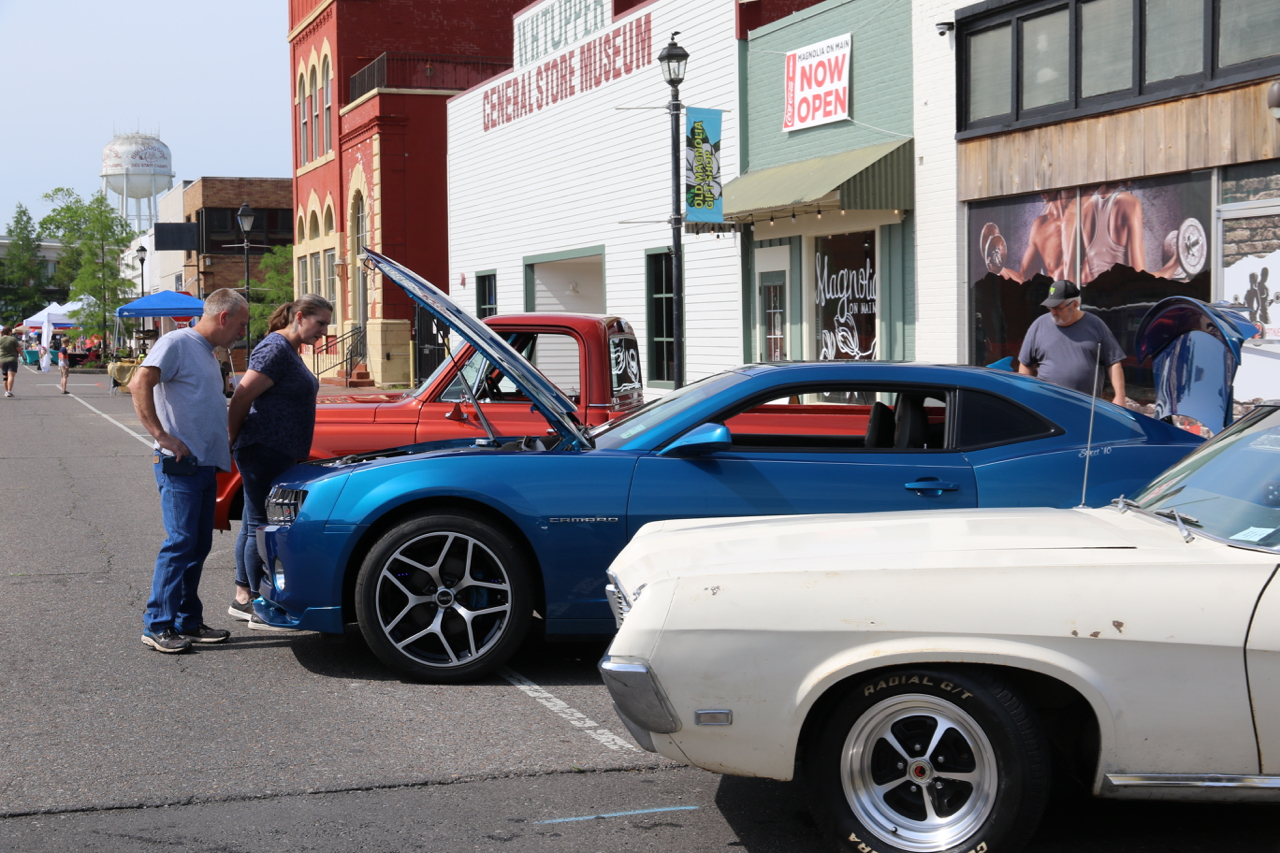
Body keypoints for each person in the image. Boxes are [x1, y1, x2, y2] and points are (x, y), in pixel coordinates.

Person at [130, 288, 250, 653]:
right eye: (241, 324)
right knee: (181, 542)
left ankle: (187, 621)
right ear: (224, 317)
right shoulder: (178, 342)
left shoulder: (205, 352)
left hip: (200, 463)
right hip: (180, 463)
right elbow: (140, 381)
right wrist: (160, 435)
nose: (243, 332)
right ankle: (157, 625)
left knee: (196, 545)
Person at [226, 294, 333, 629]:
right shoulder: (275, 348)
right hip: (262, 447)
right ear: (300, 316)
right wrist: (231, 438)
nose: (325, 332)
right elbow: (242, 395)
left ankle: (244, 595)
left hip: (276, 448)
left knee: (252, 520)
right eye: (321, 323)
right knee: (261, 523)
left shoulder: (287, 349)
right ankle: (250, 597)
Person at [1018, 280, 1126, 405]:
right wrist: (1024, 394)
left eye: (1058, 308)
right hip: (1046, 406)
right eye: (1050, 307)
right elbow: (1025, 364)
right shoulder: (1038, 325)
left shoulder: (1096, 325)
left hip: (1086, 407)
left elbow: (1113, 362)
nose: (1053, 312)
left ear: (1075, 304)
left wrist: (1120, 396)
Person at [0, 326, 19, 397]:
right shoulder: (13, 339)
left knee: (5, 376)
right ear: (9, 332)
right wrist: (23, 356)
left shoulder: (0, 339)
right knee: (11, 376)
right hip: (12, 359)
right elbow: (18, 349)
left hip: (2, 359)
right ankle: (9, 391)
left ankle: (6, 391)